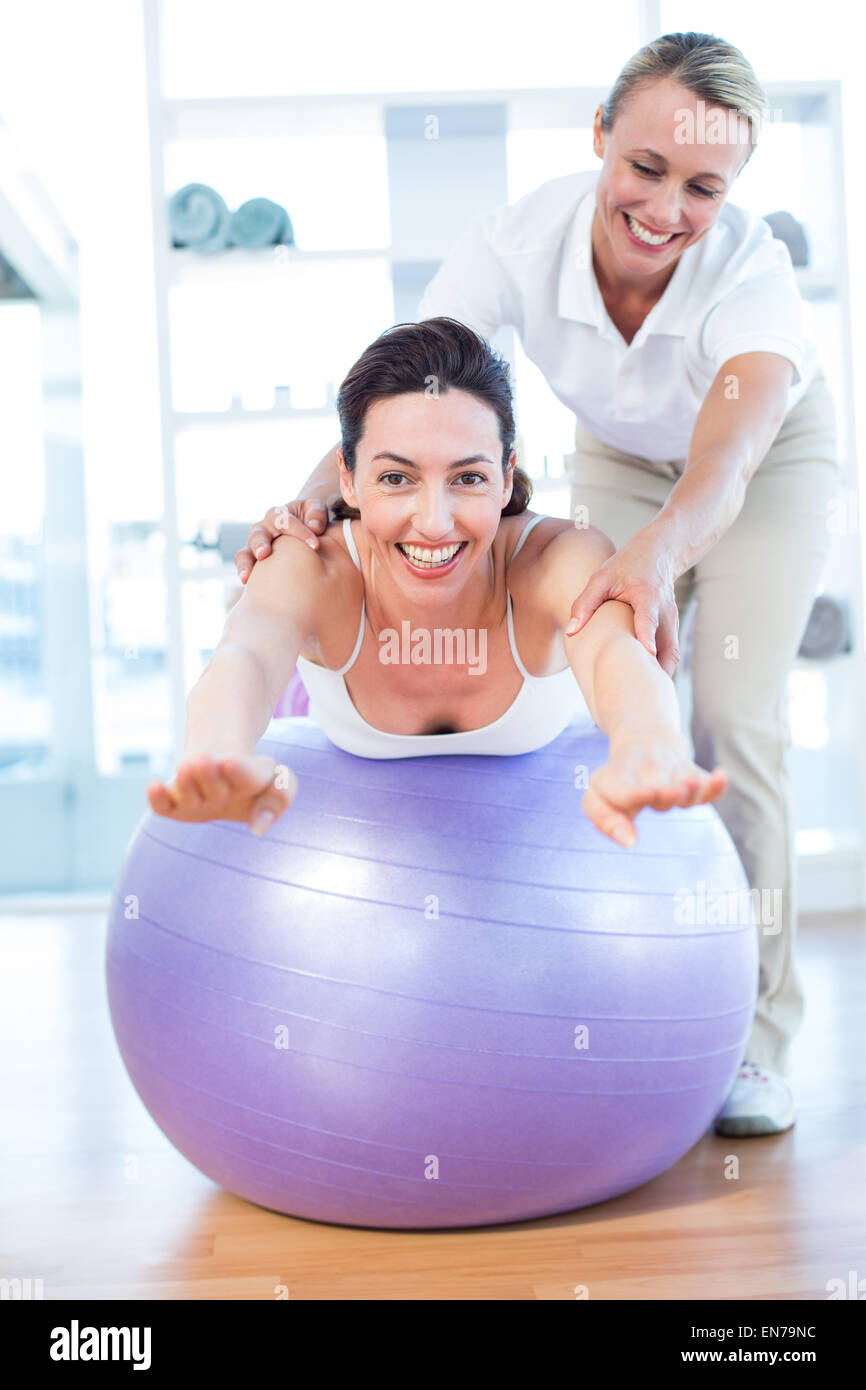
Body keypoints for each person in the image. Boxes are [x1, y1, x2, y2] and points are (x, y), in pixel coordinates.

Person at [233, 34, 842, 1137]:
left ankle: (755, 1036)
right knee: (603, 684)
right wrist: (310, 506)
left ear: (735, 189)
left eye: (704, 187)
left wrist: (656, 558)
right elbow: (408, 406)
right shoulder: (514, 244)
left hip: (760, 469)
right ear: (600, 135)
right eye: (644, 166)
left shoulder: (751, 276)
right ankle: (612, 986)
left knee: (732, 717)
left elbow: (724, 466)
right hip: (622, 447)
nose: (665, 209)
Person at [149, 317, 727, 883]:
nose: (433, 522)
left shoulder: (558, 555)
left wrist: (647, 740)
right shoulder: (312, 563)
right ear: (347, 478)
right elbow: (244, 655)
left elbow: (613, 654)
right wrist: (217, 750)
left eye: (468, 478)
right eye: (396, 478)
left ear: (506, 477)